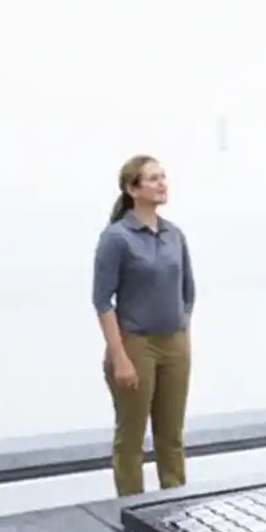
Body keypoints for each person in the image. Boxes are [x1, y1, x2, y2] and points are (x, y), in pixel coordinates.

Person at [93, 155, 195, 496]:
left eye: (163, 176)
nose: (162, 183)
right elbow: (102, 301)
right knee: (132, 436)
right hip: (135, 343)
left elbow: (188, 292)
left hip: (175, 342)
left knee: (171, 435)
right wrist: (119, 356)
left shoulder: (174, 235)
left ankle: (175, 502)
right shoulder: (117, 238)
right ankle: (131, 506)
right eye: (153, 178)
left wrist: (183, 332)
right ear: (132, 188)